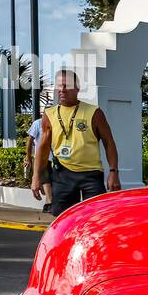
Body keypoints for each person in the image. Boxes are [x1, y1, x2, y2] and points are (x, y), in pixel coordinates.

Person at [32, 70, 121, 214]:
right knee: (63, 219)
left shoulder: (94, 112)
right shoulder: (49, 114)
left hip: (91, 174)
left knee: (95, 217)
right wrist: (36, 176)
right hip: (63, 174)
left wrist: (113, 172)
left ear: (77, 88)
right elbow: (42, 149)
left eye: (66, 86)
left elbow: (109, 143)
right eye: (59, 86)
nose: (62, 90)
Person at [24, 100, 53, 213]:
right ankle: (49, 202)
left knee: (50, 181)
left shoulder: (56, 124)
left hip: (55, 157)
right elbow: (29, 141)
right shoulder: (37, 123)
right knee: (45, 180)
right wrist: (29, 157)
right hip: (41, 158)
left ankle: (48, 203)